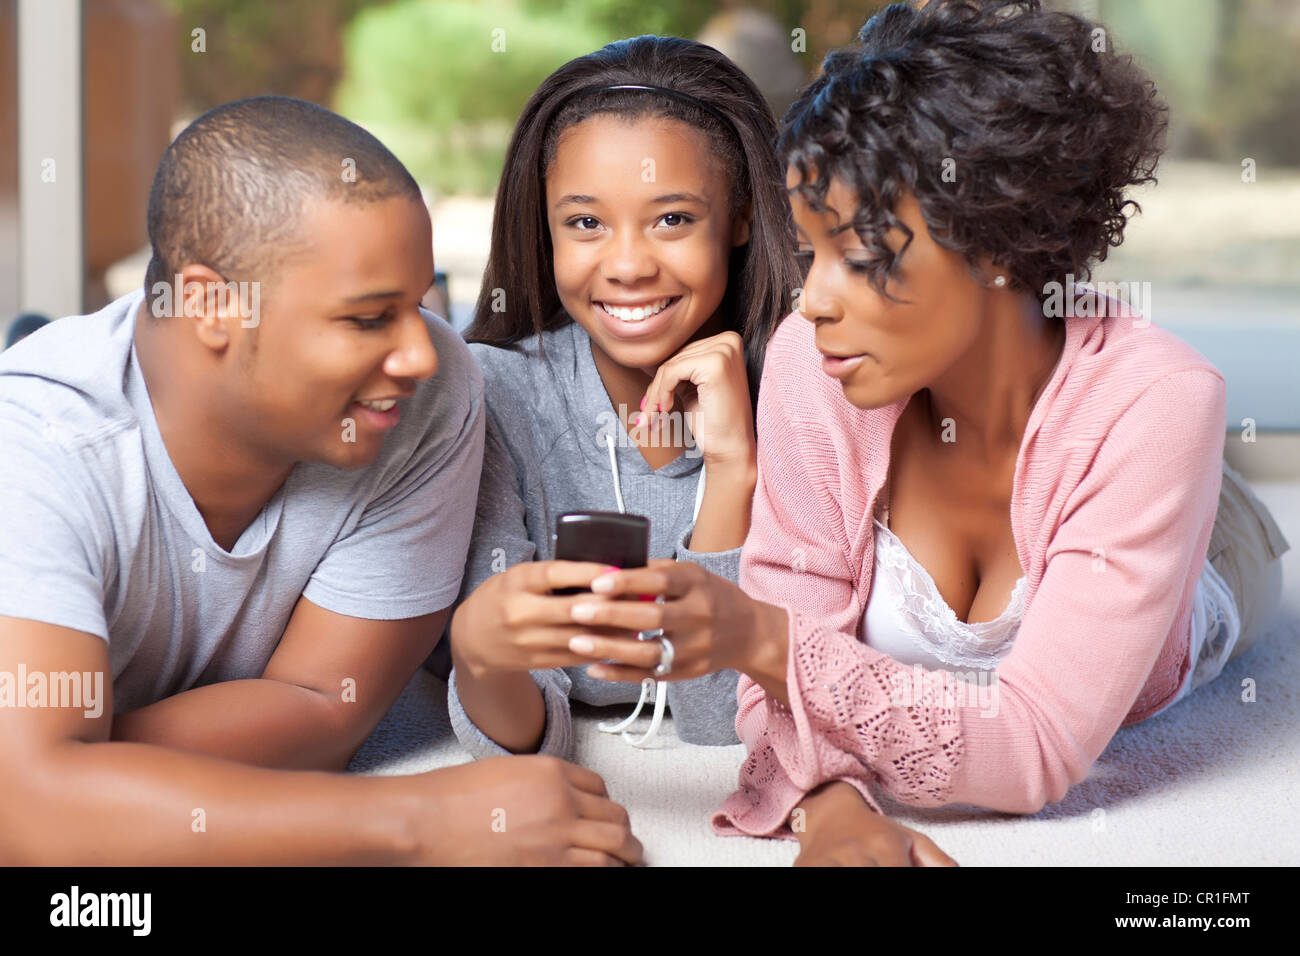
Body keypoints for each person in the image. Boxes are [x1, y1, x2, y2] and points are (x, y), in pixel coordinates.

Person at [575, 0, 1288, 866]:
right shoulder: (817, 357)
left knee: (1208, 503)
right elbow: (772, 691)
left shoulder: (1160, 403)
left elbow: (1037, 747)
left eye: (866, 256)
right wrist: (831, 807)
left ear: (994, 240)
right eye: (812, 254)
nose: (817, 299)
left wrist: (757, 637)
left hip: (1205, 542)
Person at [0, 95, 641, 866]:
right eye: (369, 319)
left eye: (418, 302)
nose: (420, 354)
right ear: (211, 303)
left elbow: (322, 711)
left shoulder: (426, 400)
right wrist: (422, 822)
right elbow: (30, 815)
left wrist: (86, 763)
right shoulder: (34, 446)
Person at [440, 35, 800, 757]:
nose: (630, 265)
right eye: (585, 223)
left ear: (738, 218)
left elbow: (723, 721)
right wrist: (481, 649)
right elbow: (515, 741)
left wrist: (733, 470)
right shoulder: (496, 393)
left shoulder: (804, 387)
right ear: (543, 231)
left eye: (673, 218)